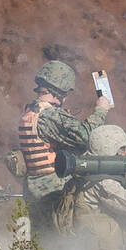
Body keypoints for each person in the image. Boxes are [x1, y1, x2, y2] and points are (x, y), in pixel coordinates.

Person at [13, 60, 112, 232]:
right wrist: (100, 111)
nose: (65, 98)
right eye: (65, 93)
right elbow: (84, 137)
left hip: (35, 190)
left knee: (43, 245)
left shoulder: (31, 111)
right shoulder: (49, 115)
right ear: (58, 91)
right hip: (54, 192)